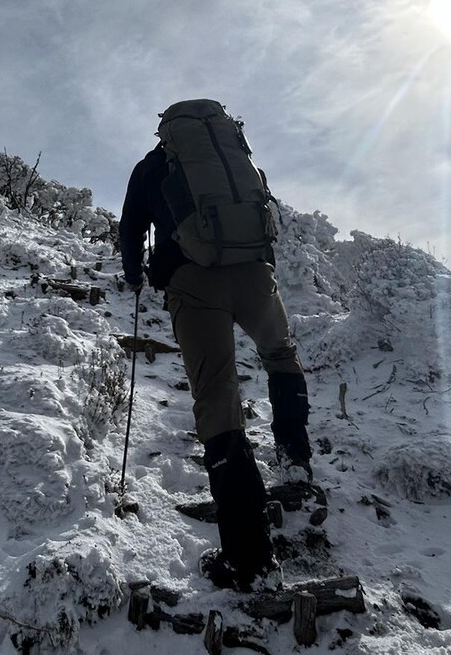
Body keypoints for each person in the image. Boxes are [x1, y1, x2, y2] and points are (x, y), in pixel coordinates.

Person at [120, 101, 314, 592]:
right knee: (280, 356)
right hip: (254, 275)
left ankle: (248, 557)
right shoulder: (233, 155)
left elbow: (131, 229)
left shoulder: (153, 166)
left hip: (193, 283)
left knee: (217, 398)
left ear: (166, 131)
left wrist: (133, 274)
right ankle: (296, 459)